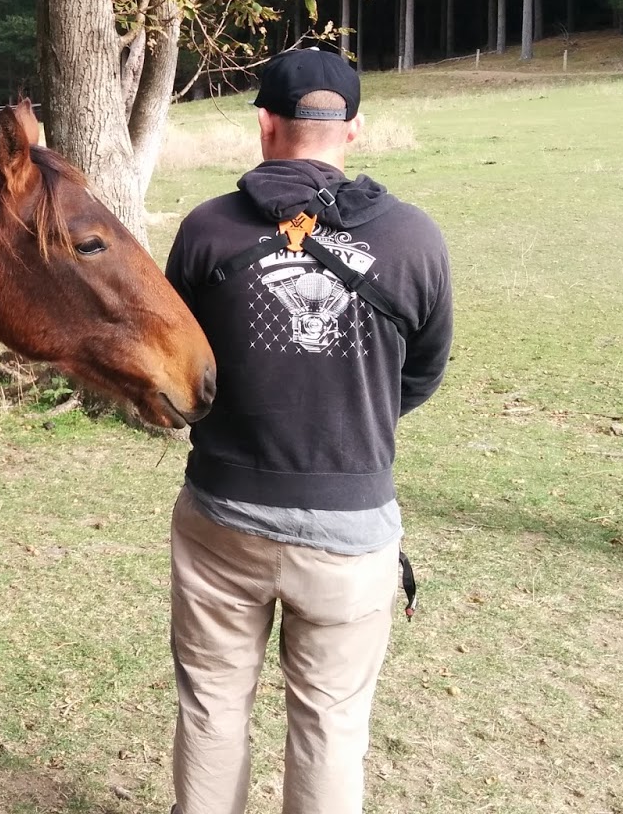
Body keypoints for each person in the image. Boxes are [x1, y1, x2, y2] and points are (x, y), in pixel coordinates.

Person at [163, 47, 453, 814]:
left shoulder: (205, 231)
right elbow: (422, 373)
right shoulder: (416, 240)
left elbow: (176, 366)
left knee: (212, 706)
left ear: (265, 124)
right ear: (353, 130)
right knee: (331, 726)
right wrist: (350, 420)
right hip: (351, 532)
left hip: (222, 519)